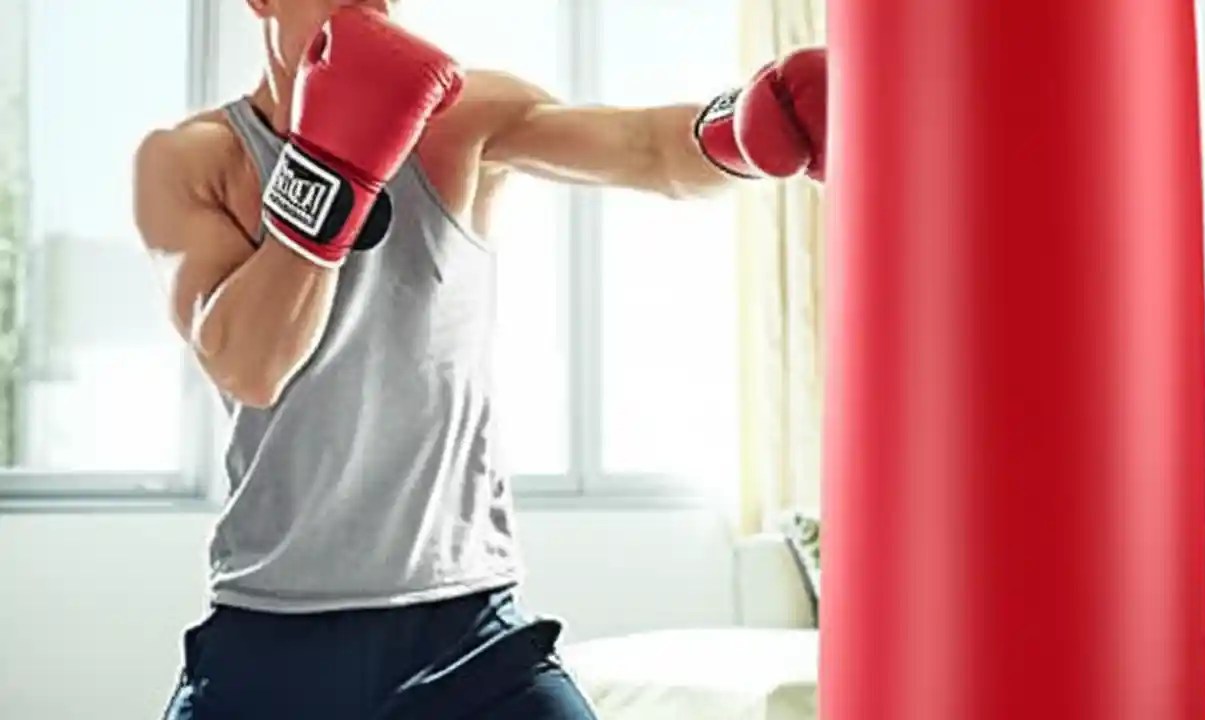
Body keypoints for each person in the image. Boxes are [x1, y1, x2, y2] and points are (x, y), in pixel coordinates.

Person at [133, 1, 826, 718]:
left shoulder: (459, 118)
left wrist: (759, 126)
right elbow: (251, 363)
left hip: (466, 634)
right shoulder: (191, 160)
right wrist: (332, 160)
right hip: (272, 639)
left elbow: (647, 147)